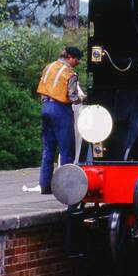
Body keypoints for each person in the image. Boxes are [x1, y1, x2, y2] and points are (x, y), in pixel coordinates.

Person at [37, 46, 86, 194]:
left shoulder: (49, 66)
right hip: (60, 110)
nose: (77, 62)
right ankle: (65, 187)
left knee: (48, 149)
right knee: (66, 149)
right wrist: (82, 98)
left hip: (45, 107)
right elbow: (72, 97)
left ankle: (44, 186)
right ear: (69, 57)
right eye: (76, 59)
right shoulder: (70, 73)